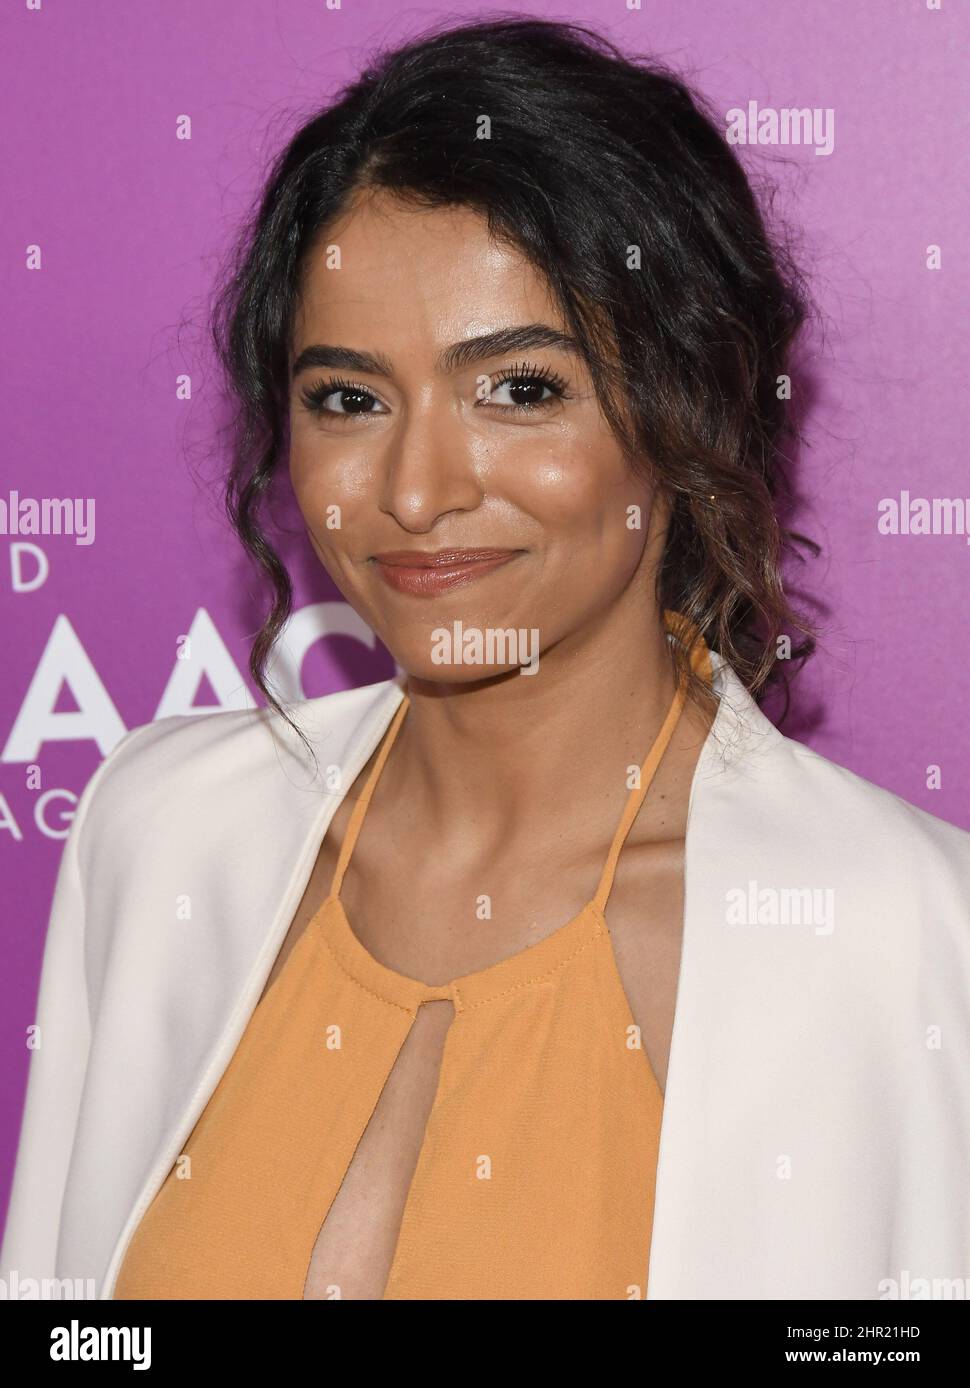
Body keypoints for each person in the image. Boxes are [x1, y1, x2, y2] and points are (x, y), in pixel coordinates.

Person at [3, 17, 969, 1302]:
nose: (414, 490)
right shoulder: (164, 833)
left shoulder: (899, 936)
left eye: (518, 389)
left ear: (694, 402)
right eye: (348, 397)